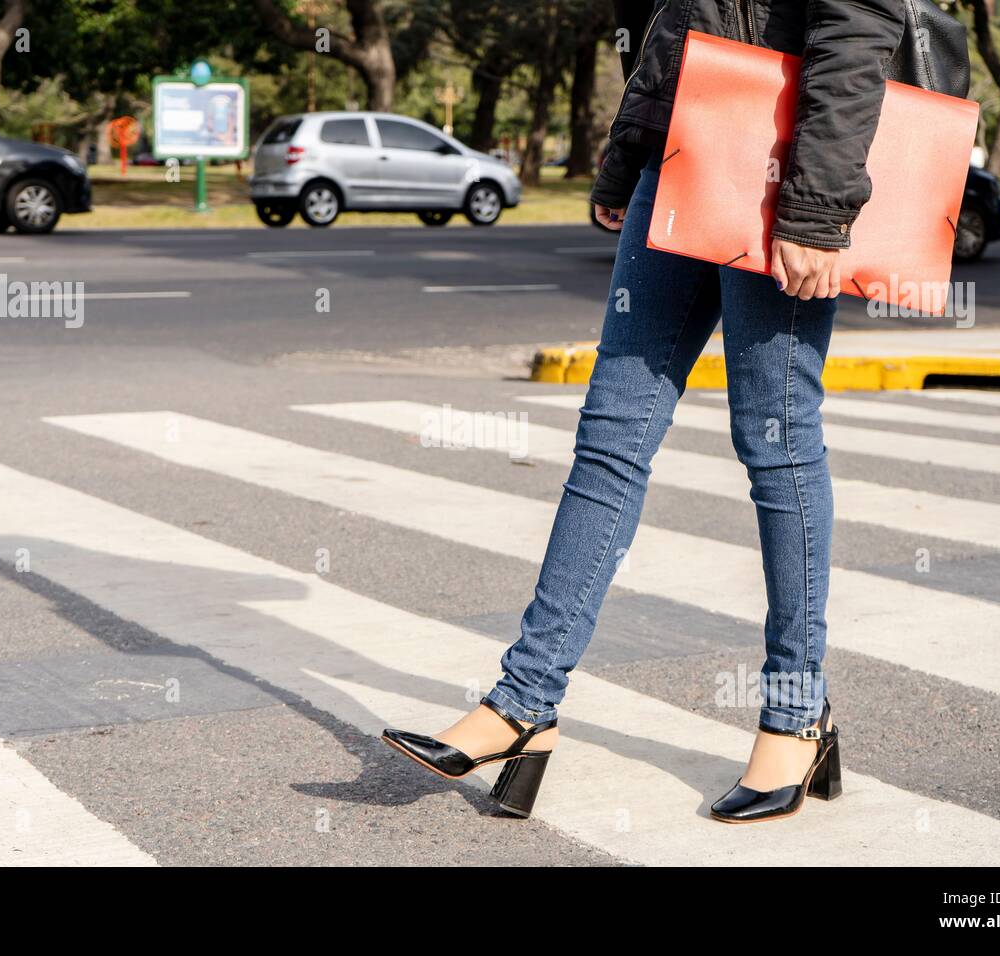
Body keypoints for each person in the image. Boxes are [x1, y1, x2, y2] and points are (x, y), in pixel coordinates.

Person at [383, 0, 908, 823]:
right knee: (609, 438)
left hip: (788, 163)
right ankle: (523, 707)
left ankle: (798, 714)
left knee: (774, 441)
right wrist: (629, 158)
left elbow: (857, 27)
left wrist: (816, 207)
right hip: (686, 151)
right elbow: (671, 21)